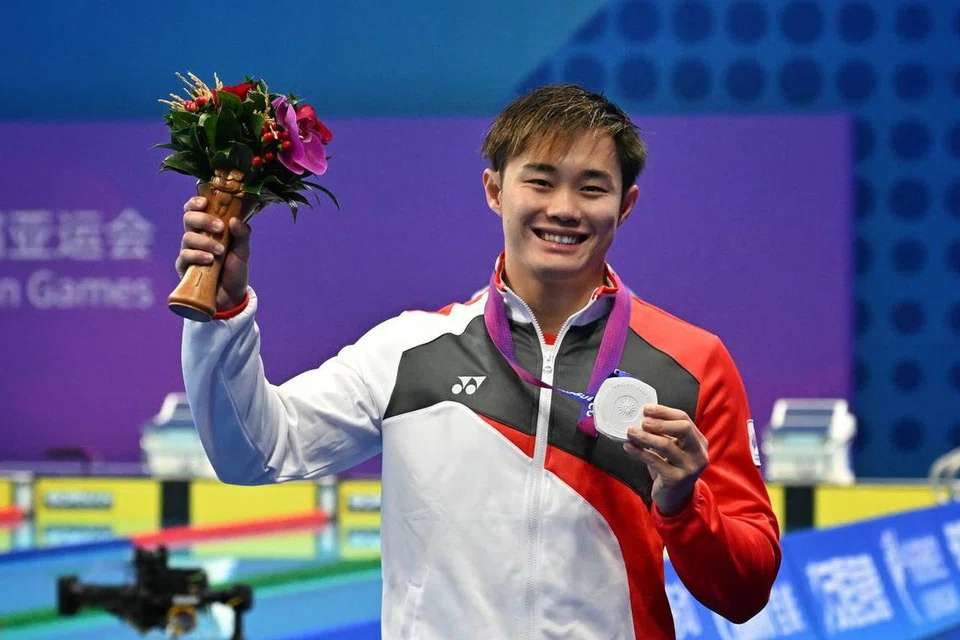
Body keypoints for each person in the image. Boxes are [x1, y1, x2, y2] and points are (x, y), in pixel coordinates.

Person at [176, 84, 781, 639]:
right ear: (495, 190)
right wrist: (224, 315)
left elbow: (746, 591)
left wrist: (683, 503)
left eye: (592, 187)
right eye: (540, 182)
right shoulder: (407, 352)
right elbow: (254, 452)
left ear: (626, 205)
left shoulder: (692, 363)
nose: (565, 209)